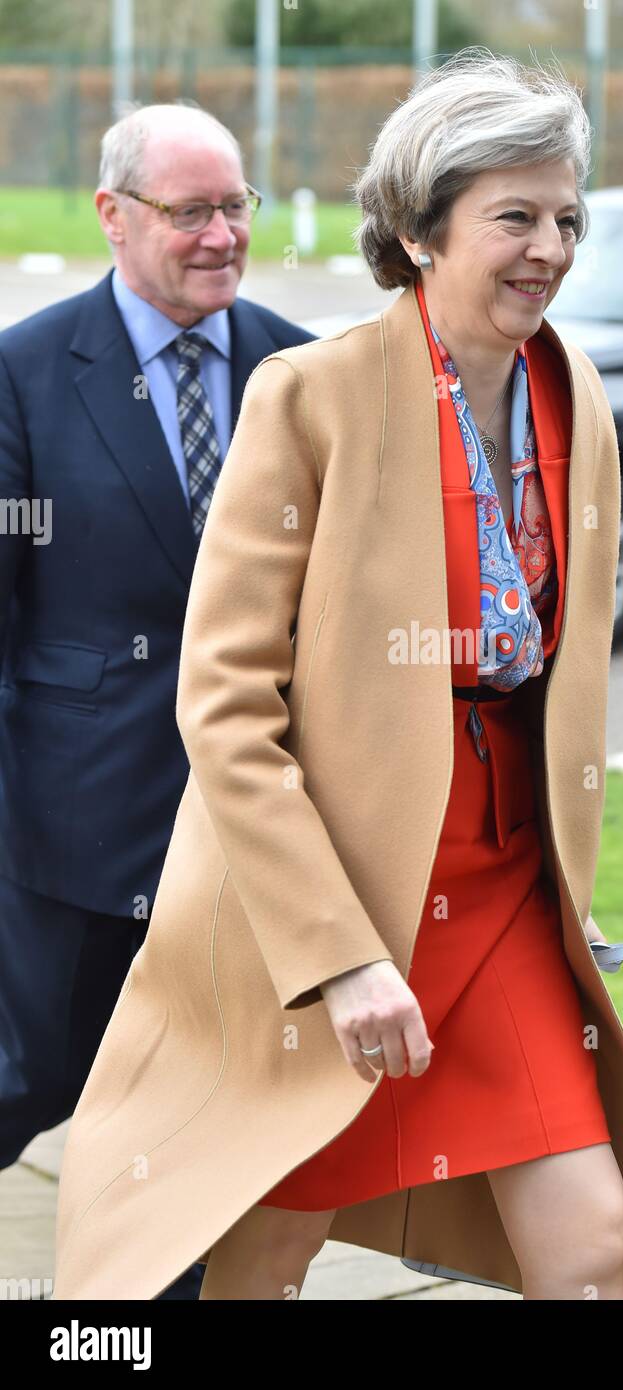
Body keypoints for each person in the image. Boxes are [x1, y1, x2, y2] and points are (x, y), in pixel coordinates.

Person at [52, 50, 623, 1302]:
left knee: (595, 1247)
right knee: (270, 1252)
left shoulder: (581, 399)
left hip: (507, 896)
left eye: (567, 218)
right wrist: (338, 955)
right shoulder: (311, 396)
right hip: (340, 901)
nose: (549, 249)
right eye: (514, 217)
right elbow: (227, 707)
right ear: (415, 228)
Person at [0, 101, 313, 1300]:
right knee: (36, 1079)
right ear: (114, 216)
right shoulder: (27, 373)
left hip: (246, 830)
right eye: (190, 212)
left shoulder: (294, 366)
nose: (222, 234)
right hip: (76, 824)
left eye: (236, 206)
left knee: (190, 1112)